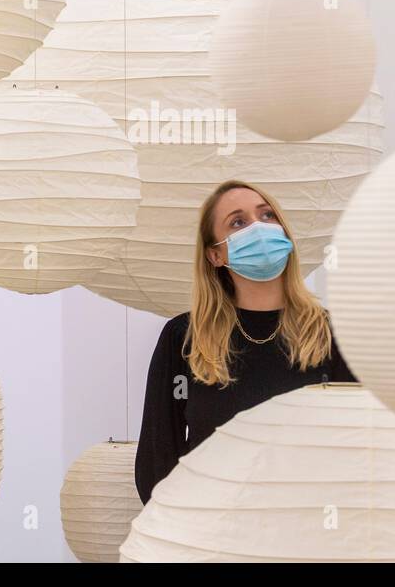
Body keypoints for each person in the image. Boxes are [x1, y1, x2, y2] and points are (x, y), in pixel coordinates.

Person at [134, 178, 356, 504]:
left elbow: (357, 452)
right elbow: (157, 461)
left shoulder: (332, 334)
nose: (259, 228)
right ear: (215, 254)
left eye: (267, 216)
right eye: (238, 222)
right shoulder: (183, 338)